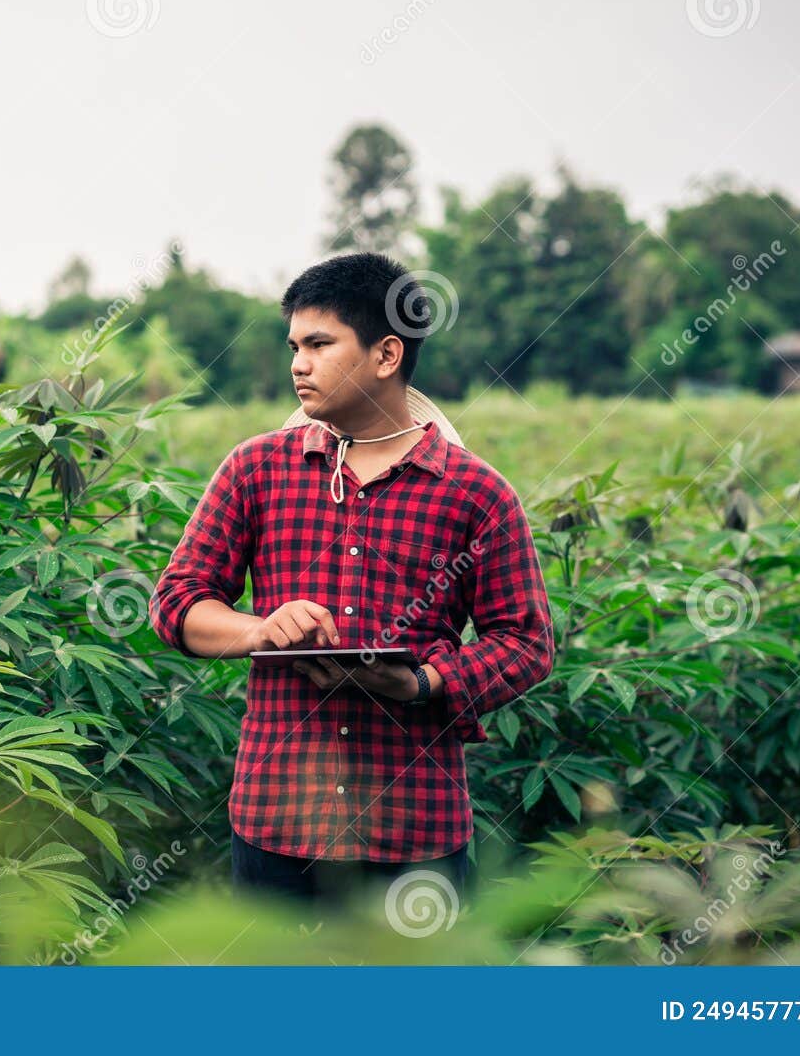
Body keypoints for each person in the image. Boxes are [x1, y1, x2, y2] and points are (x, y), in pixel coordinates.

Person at [147, 251, 555, 906]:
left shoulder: (476, 493)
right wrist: (259, 629)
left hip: (414, 829)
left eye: (319, 343)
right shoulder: (257, 469)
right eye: (293, 345)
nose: (297, 363)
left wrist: (422, 681)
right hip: (277, 820)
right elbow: (176, 601)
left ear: (386, 354)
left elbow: (526, 641)